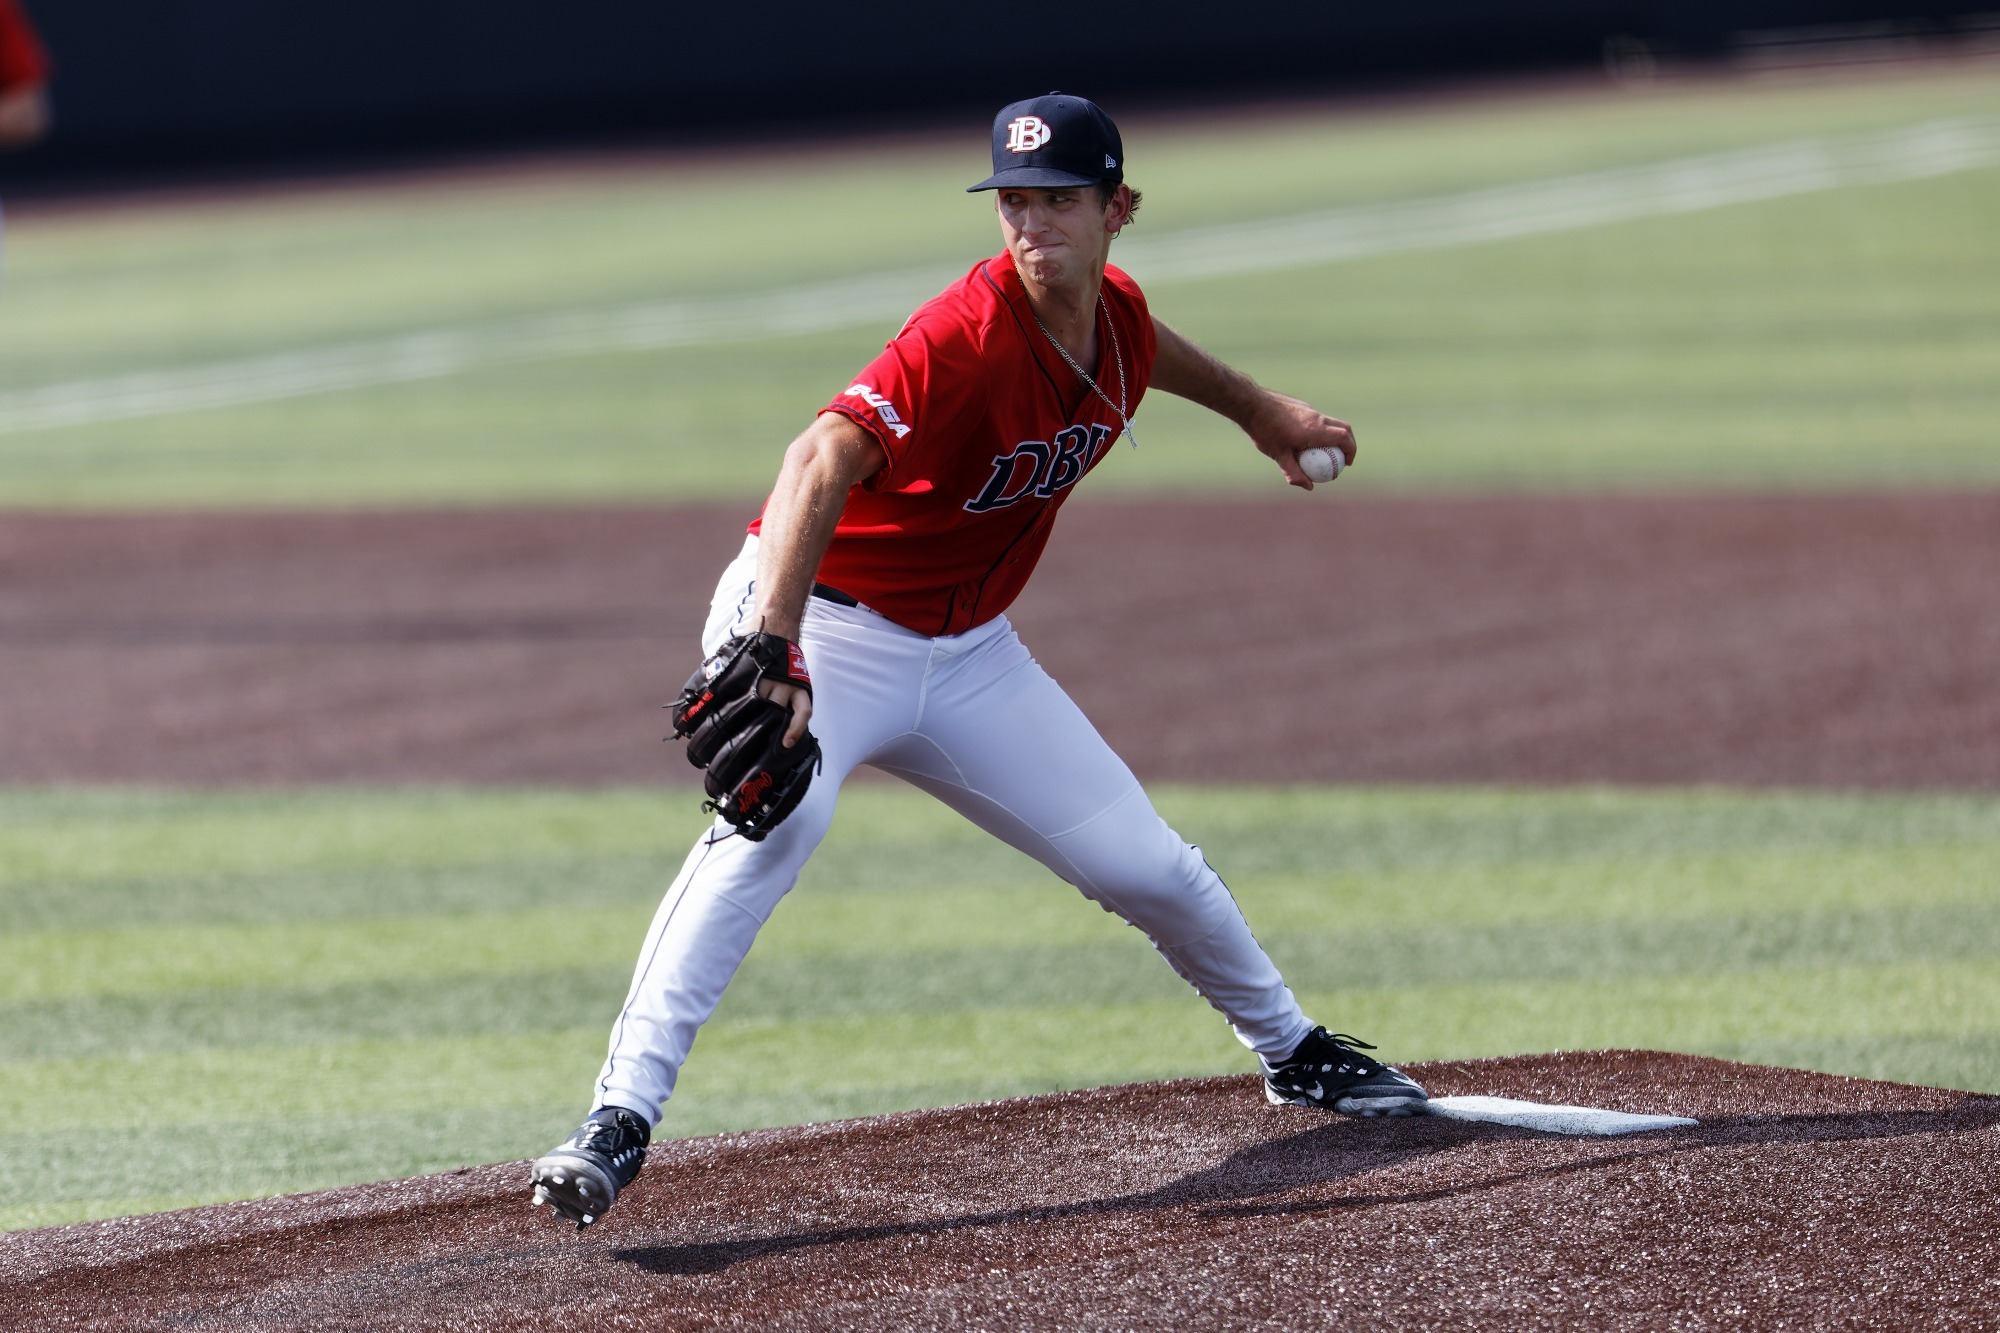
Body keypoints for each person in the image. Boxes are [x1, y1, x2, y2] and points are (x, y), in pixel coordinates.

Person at [529, 93, 1427, 1230]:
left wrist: (1258, 412)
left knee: (1144, 866)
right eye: (1014, 200)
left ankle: (1293, 1050)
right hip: (827, 622)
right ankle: (615, 1121)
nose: (1031, 222)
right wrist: (772, 642)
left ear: (1117, 209)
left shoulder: (1116, 318)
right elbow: (816, 459)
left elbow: (1146, 349)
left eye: (1057, 199)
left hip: (969, 656)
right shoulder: (958, 336)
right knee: (775, 824)